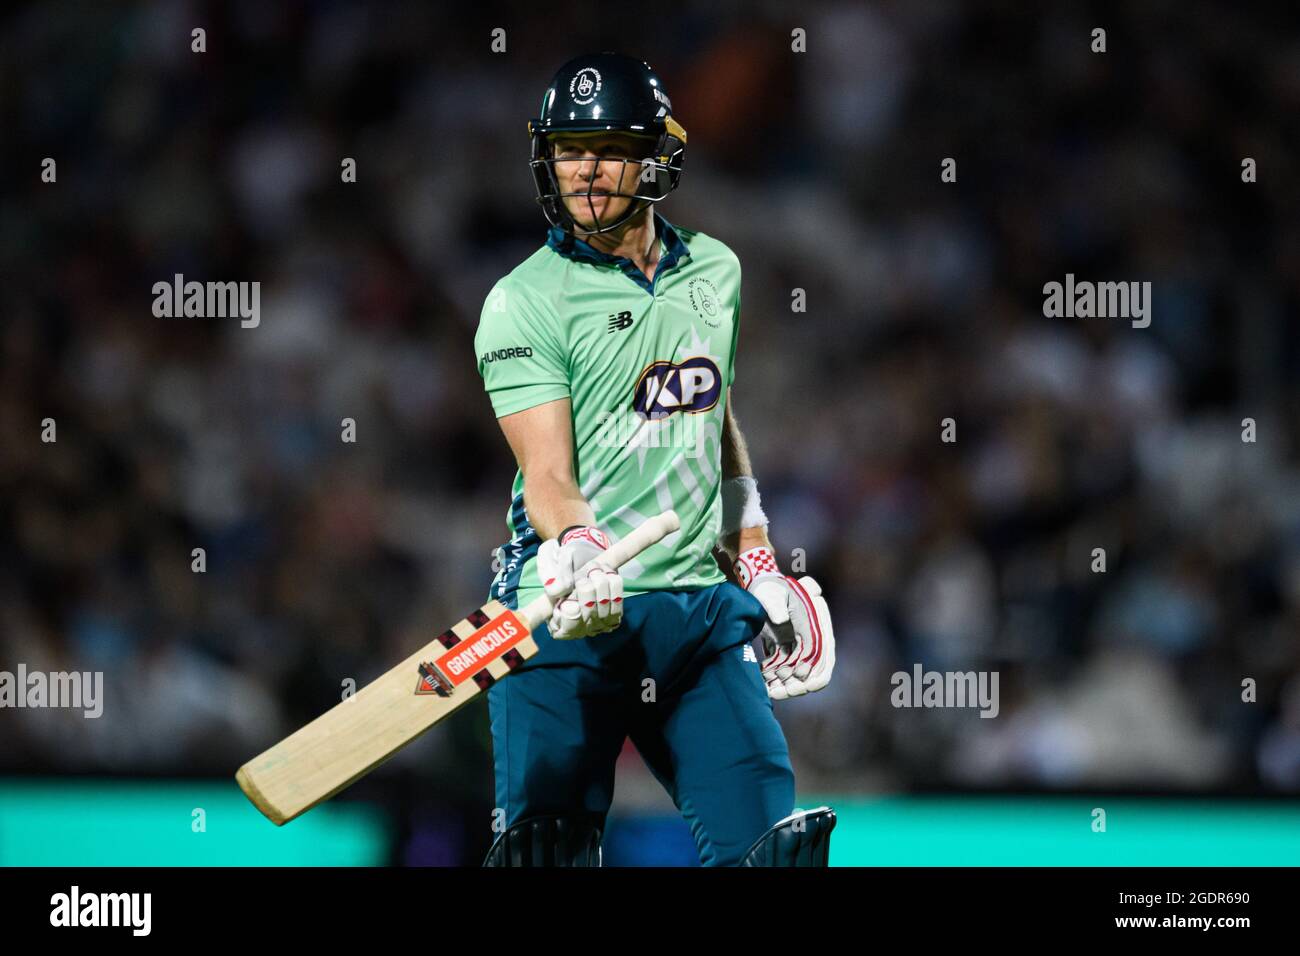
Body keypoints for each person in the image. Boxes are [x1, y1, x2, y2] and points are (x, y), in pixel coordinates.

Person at [474, 52, 836, 867]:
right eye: (569, 149)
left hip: (696, 618)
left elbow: (716, 421)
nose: (587, 171)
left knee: (772, 855)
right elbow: (548, 472)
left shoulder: (717, 271)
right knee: (545, 856)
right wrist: (576, 545)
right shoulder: (522, 300)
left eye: (607, 147)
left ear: (654, 156)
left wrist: (755, 554)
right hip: (566, 613)